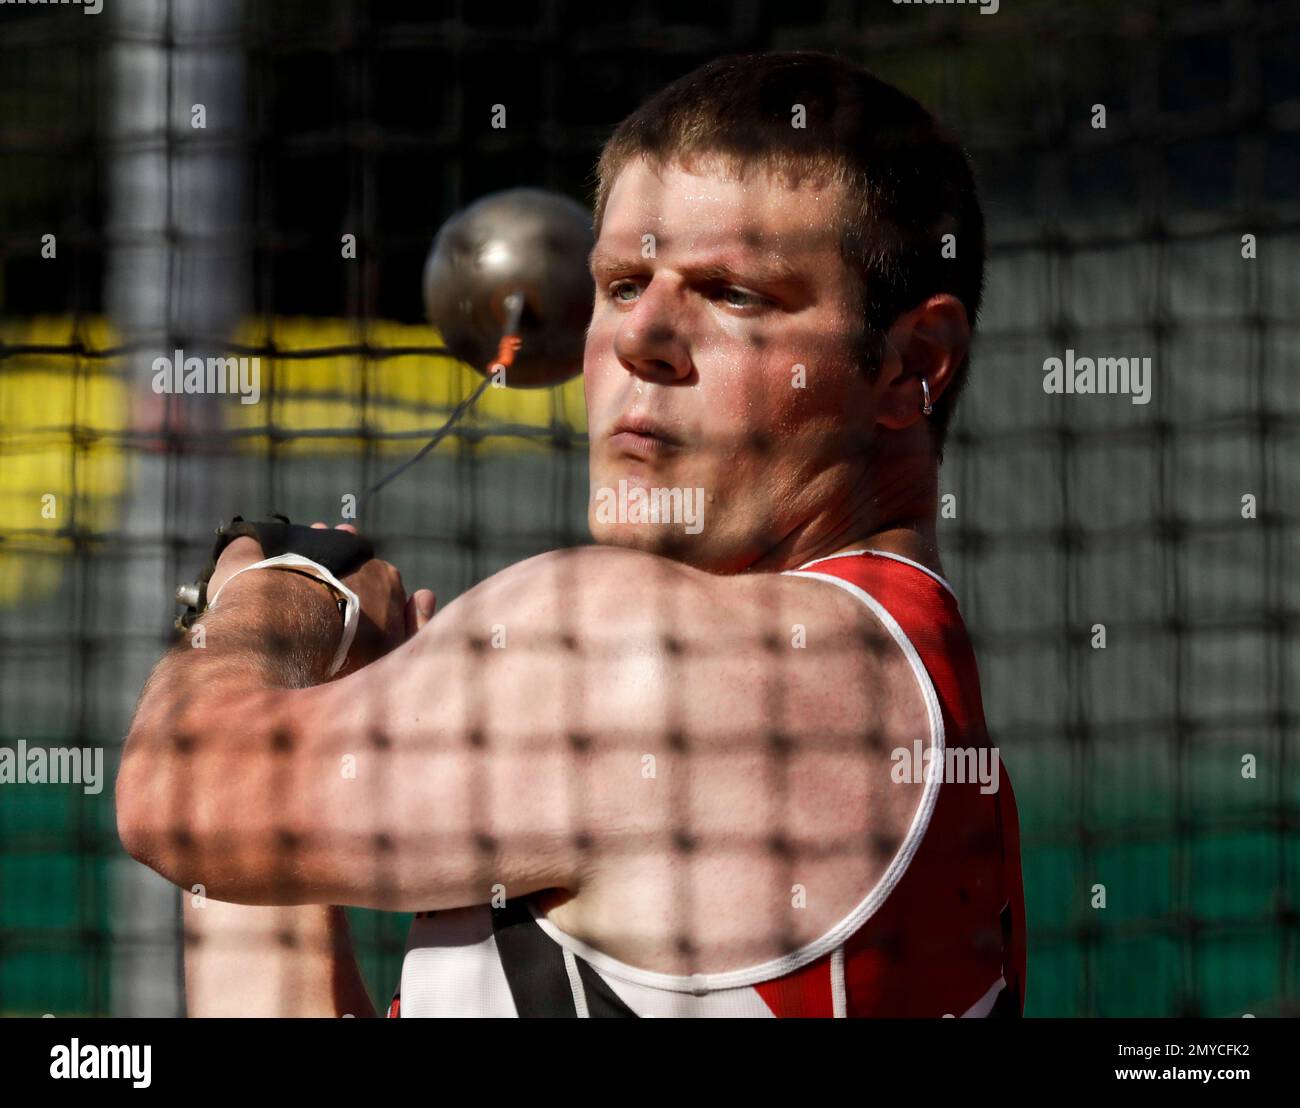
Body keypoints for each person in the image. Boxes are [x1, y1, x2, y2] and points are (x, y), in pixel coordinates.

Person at [117, 50, 1026, 1018]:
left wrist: (273, 604)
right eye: (624, 283)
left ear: (911, 365)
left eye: (733, 293)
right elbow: (223, 863)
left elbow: (174, 797)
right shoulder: (913, 704)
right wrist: (303, 690)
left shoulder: (667, 653)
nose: (640, 338)